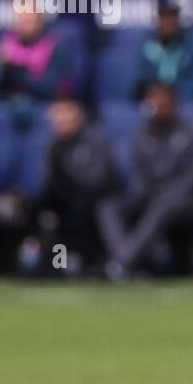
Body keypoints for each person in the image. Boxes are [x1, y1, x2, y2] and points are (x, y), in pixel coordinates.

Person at [96, 82, 193, 279]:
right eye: (152, 99)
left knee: (160, 206)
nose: (157, 104)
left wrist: (163, 195)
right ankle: (123, 258)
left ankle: (122, 262)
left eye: (162, 99)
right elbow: (139, 175)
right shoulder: (142, 134)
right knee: (108, 207)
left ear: (173, 103)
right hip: (150, 195)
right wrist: (142, 193)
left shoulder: (192, 133)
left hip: (184, 200)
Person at [26, 97, 117, 274]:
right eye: (57, 112)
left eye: (66, 112)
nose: (61, 118)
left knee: (79, 207)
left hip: (91, 202)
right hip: (64, 204)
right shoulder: (54, 145)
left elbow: (98, 180)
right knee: (38, 208)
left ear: (78, 114)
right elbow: (49, 184)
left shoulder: (95, 140)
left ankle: (78, 261)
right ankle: (47, 263)